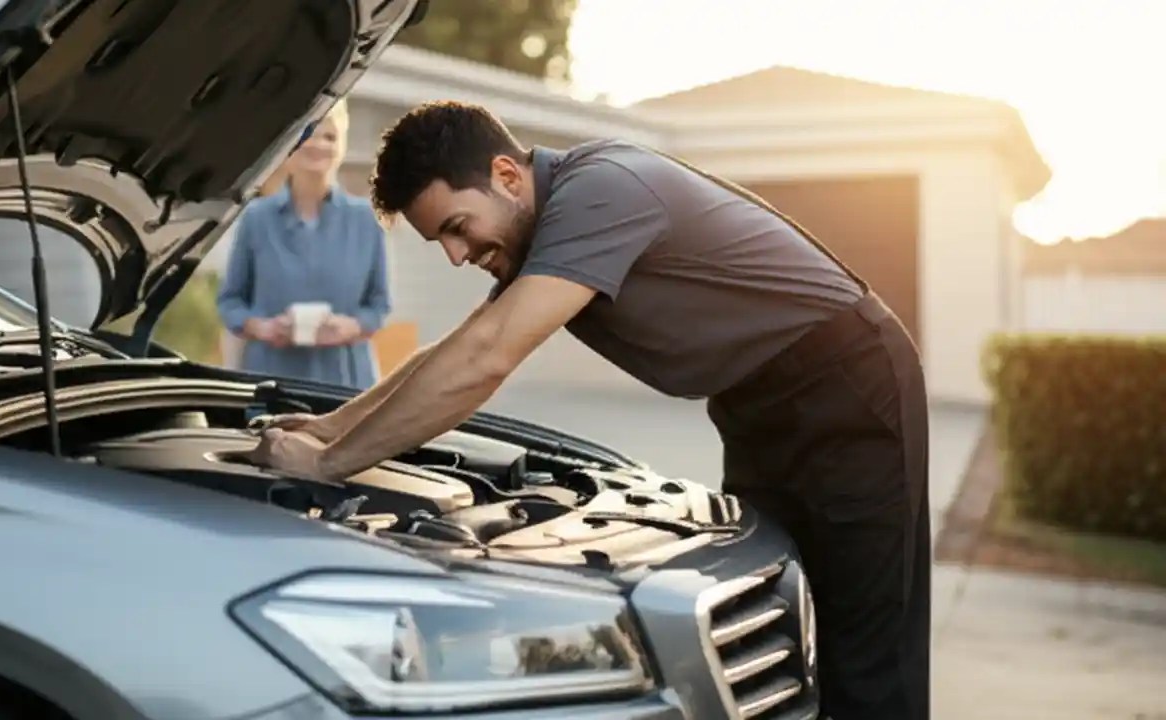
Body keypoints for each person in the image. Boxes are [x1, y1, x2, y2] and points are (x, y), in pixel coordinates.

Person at [248, 100, 930, 720]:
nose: (457, 256)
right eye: (442, 243)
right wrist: (330, 425)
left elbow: (487, 358)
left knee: (867, 658)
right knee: (772, 625)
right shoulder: (539, 231)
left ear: (508, 176)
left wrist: (333, 464)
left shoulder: (602, 190)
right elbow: (451, 352)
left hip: (847, 386)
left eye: (457, 228)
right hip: (758, 405)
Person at [216, 102, 391, 389]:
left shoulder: (366, 220)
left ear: (342, 146)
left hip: (345, 386)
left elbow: (379, 306)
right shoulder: (256, 219)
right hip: (271, 381)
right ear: (288, 145)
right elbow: (230, 302)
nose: (318, 144)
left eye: (330, 136)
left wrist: (349, 327)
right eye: (309, 134)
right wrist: (263, 328)